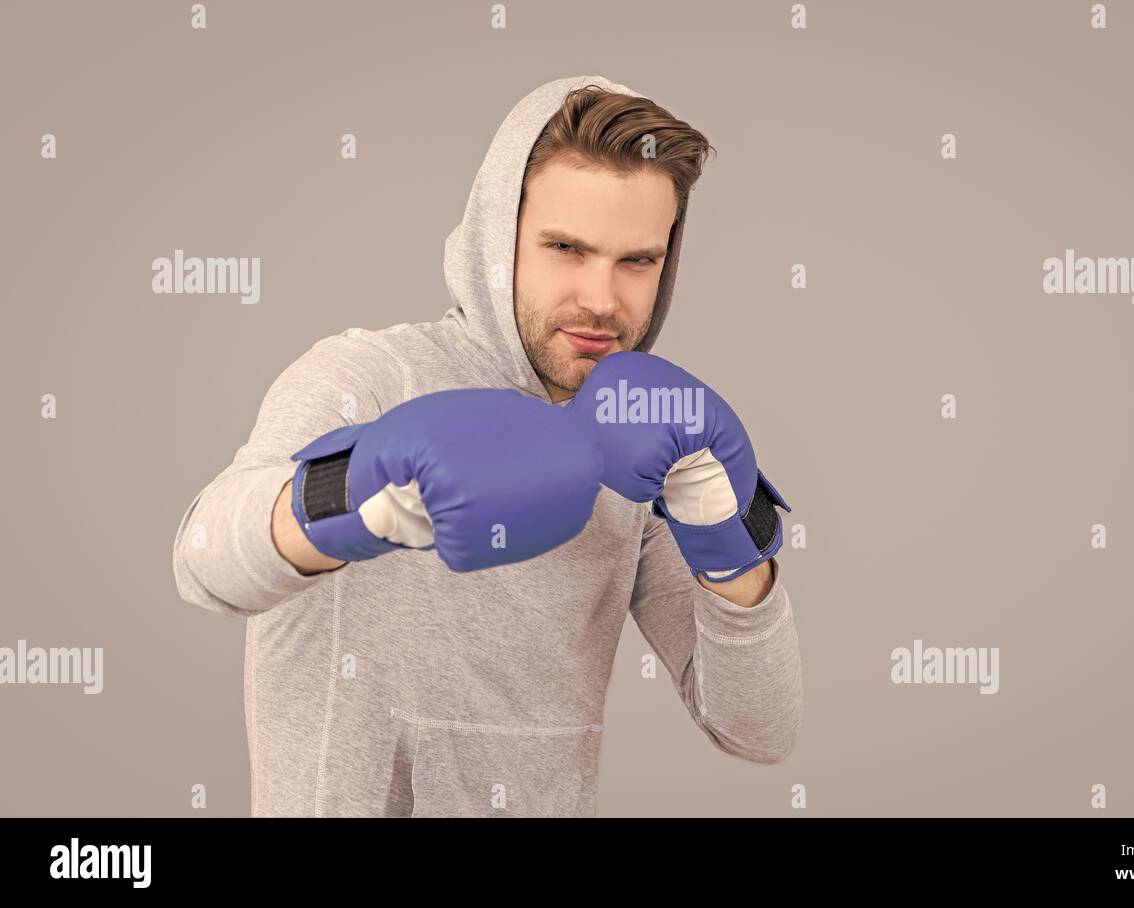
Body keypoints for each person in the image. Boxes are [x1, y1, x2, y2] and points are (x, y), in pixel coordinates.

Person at [171, 74, 803, 817]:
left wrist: (731, 541)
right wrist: (352, 495)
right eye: (566, 248)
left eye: (638, 260)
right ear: (496, 238)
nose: (603, 299)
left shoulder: (646, 435)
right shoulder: (372, 376)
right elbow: (203, 561)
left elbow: (759, 728)